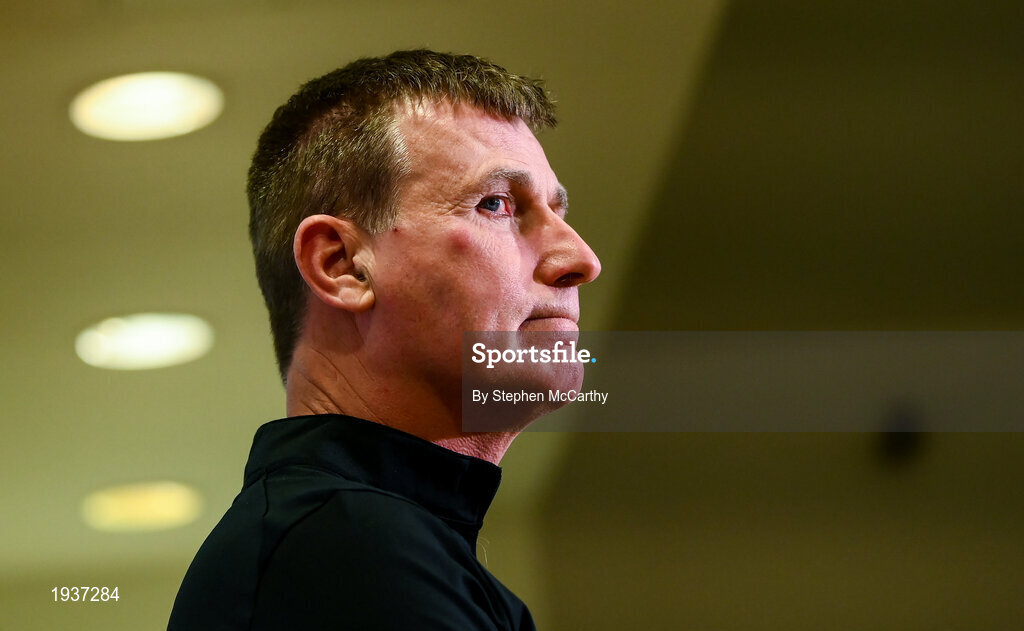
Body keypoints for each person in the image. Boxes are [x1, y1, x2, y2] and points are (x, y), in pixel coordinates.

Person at [167, 49, 600, 630]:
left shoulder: (367, 542)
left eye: (557, 210)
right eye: (496, 204)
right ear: (342, 265)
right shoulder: (340, 554)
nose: (580, 259)